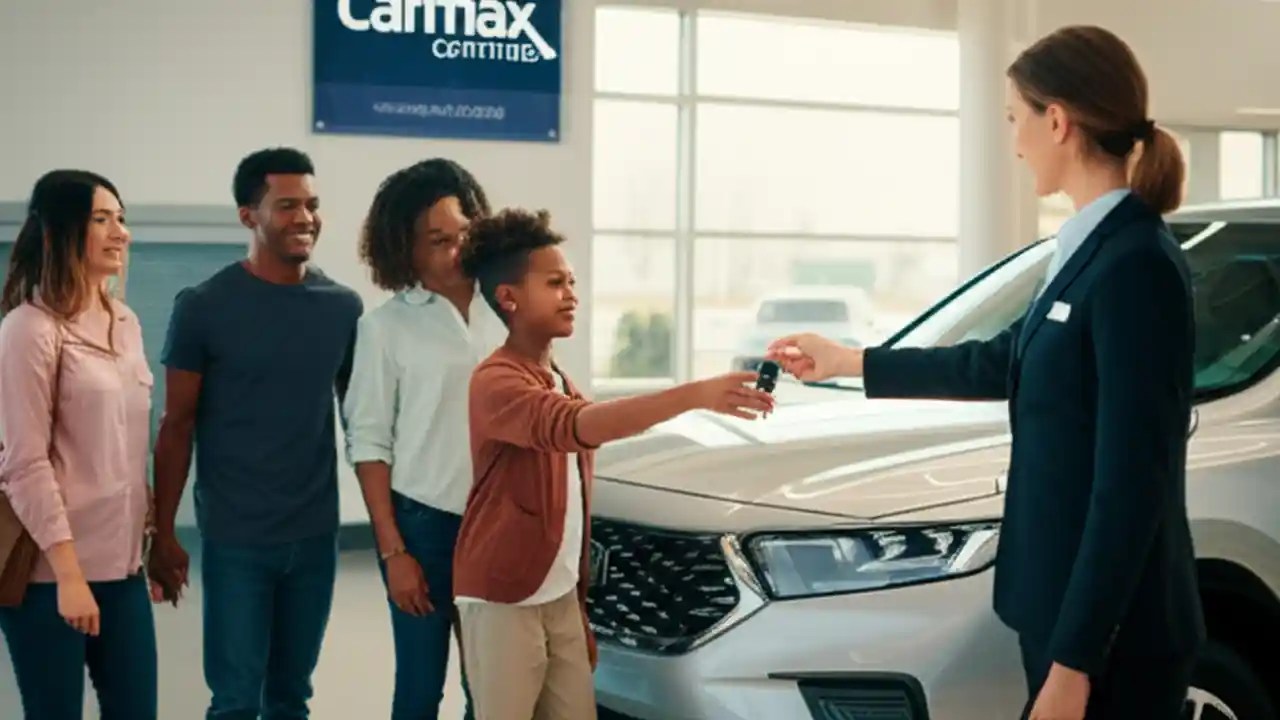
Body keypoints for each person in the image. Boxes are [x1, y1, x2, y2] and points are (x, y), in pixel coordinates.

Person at [768, 25, 1203, 720]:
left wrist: (1075, 663)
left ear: (1056, 120)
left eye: (1014, 118)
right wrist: (852, 361)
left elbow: (1132, 484)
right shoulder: (1087, 250)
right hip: (1062, 611)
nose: (1013, 139)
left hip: (1113, 638)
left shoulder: (1135, 265)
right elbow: (1003, 359)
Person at [453, 208, 775, 720]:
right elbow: (574, 426)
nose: (571, 294)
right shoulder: (496, 381)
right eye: (555, 283)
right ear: (509, 298)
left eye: (572, 281)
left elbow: (571, 511)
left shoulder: (556, 377)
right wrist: (694, 394)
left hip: (558, 597)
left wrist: (576, 612)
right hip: (503, 600)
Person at [147, 148, 364, 719]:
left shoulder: (342, 307)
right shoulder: (203, 307)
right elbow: (176, 427)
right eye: (287, 204)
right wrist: (163, 532)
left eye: (313, 205)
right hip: (236, 538)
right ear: (249, 216)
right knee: (237, 701)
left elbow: (360, 422)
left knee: (292, 698)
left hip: (316, 536)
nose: (305, 217)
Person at [344, 158, 500, 719]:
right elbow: (368, 443)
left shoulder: (505, 311)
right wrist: (394, 553)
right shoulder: (385, 327)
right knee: (419, 690)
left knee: (492, 690)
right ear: (404, 248)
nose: (456, 251)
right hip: (424, 526)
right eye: (437, 240)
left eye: (464, 235)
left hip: (499, 522)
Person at [0, 170, 157, 719]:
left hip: (124, 569)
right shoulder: (28, 330)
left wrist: (152, 539)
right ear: (60, 232)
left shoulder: (127, 322)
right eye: (101, 219)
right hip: (51, 576)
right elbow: (23, 464)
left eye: (121, 218)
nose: (121, 232)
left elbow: (126, 448)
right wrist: (69, 576)